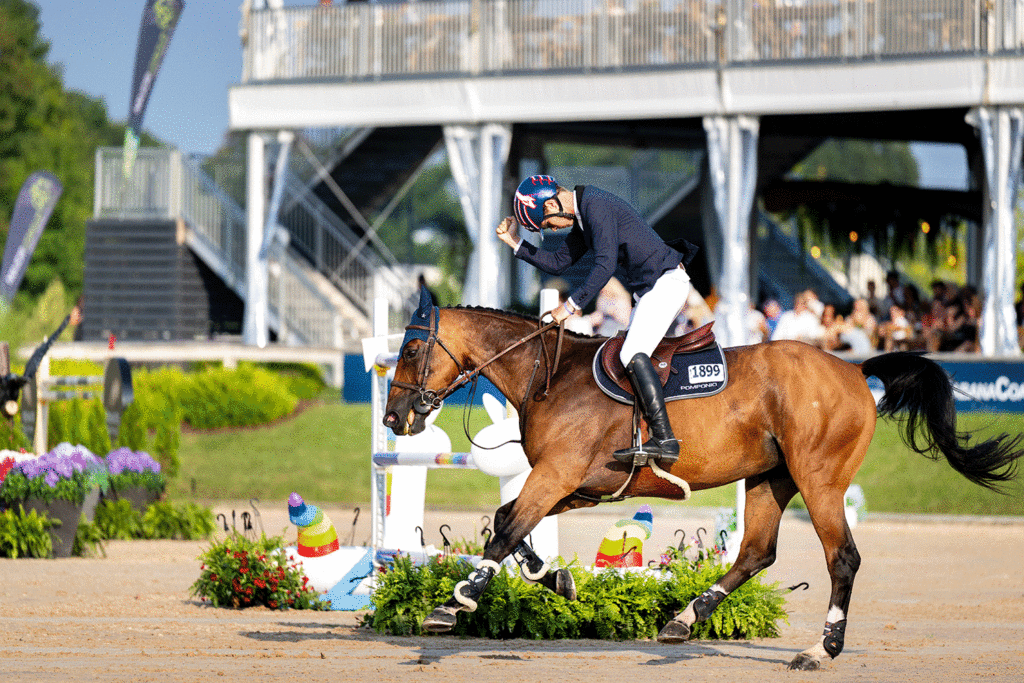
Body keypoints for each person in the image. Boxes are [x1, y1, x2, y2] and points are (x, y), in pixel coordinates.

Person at [496, 175, 697, 466]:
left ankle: (665, 440)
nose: (552, 229)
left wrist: (570, 306)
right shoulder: (583, 215)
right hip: (651, 289)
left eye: (548, 223)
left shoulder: (596, 205)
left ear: (552, 203)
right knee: (620, 356)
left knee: (630, 353)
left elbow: (605, 264)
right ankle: (638, 435)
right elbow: (557, 263)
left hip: (666, 284)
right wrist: (514, 242)